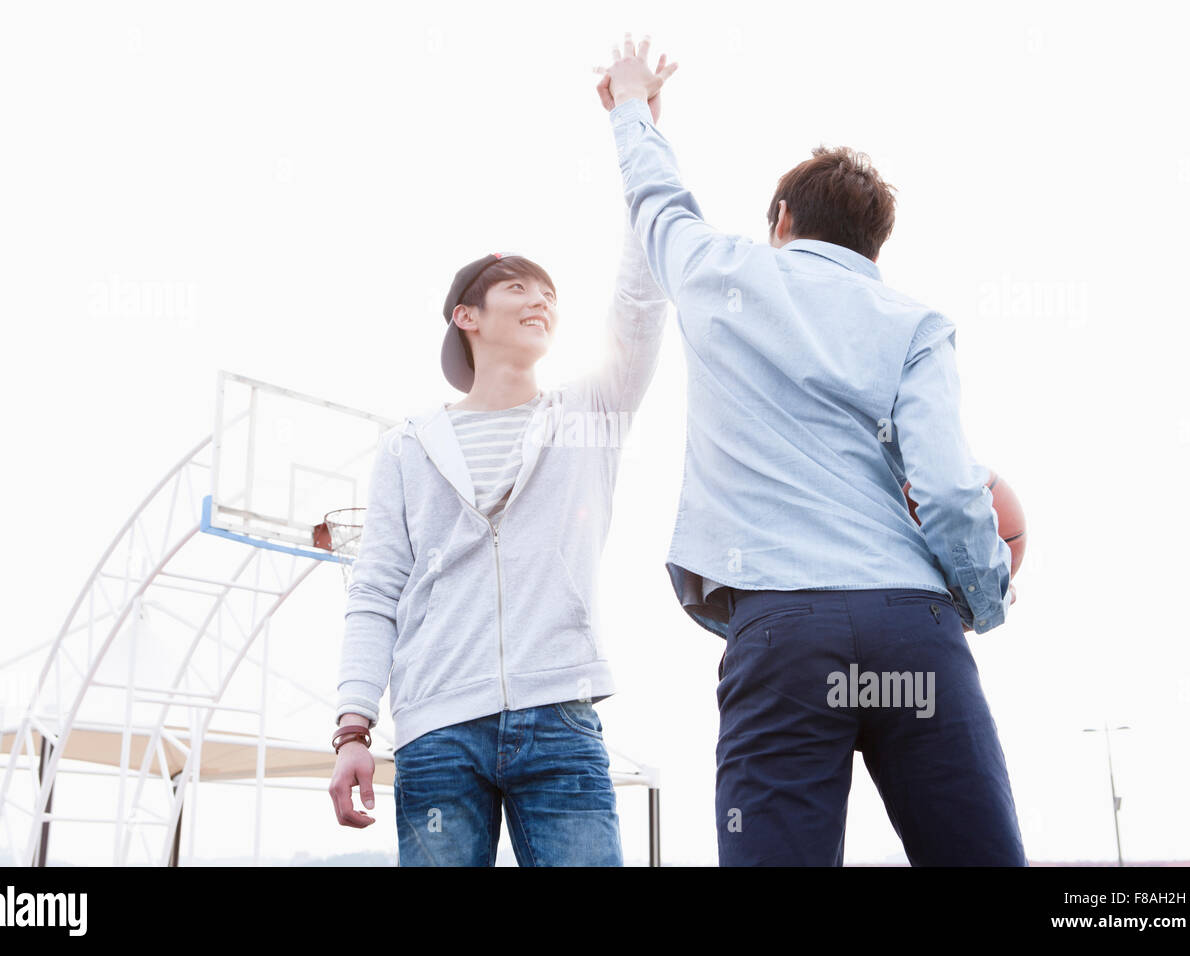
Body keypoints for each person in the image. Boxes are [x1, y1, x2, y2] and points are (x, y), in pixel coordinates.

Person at [594, 34, 1026, 866]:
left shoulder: (719, 273)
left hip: (782, 630)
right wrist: (983, 600)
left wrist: (630, 106)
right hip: (912, 626)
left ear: (781, 221)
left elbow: (657, 198)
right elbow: (945, 489)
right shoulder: (916, 325)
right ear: (876, 244)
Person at [327, 96, 671, 867]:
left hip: (561, 716)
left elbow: (643, 302)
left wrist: (638, 132)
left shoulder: (589, 412)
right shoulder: (409, 449)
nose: (541, 299)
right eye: (518, 287)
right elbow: (375, 591)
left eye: (550, 292)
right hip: (437, 728)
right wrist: (354, 725)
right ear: (466, 316)